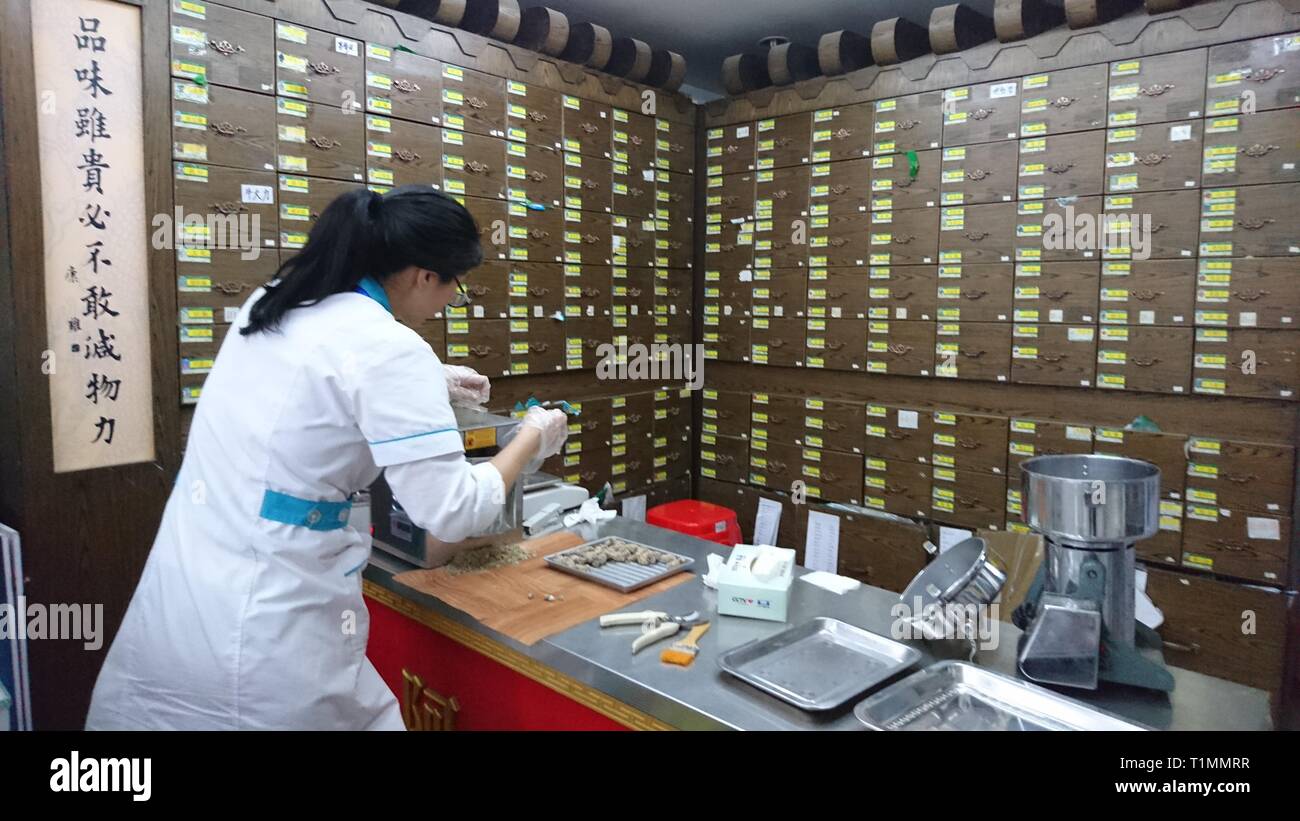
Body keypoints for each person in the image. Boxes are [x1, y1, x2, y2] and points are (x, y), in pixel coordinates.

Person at [85, 186, 568, 730]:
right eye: (455, 285)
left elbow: (313, 380)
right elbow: (451, 511)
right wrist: (531, 438)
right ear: (422, 275)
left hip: (194, 579)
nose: (449, 301)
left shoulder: (279, 300)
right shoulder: (390, 347)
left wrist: (434, 383)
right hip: (272, 616)